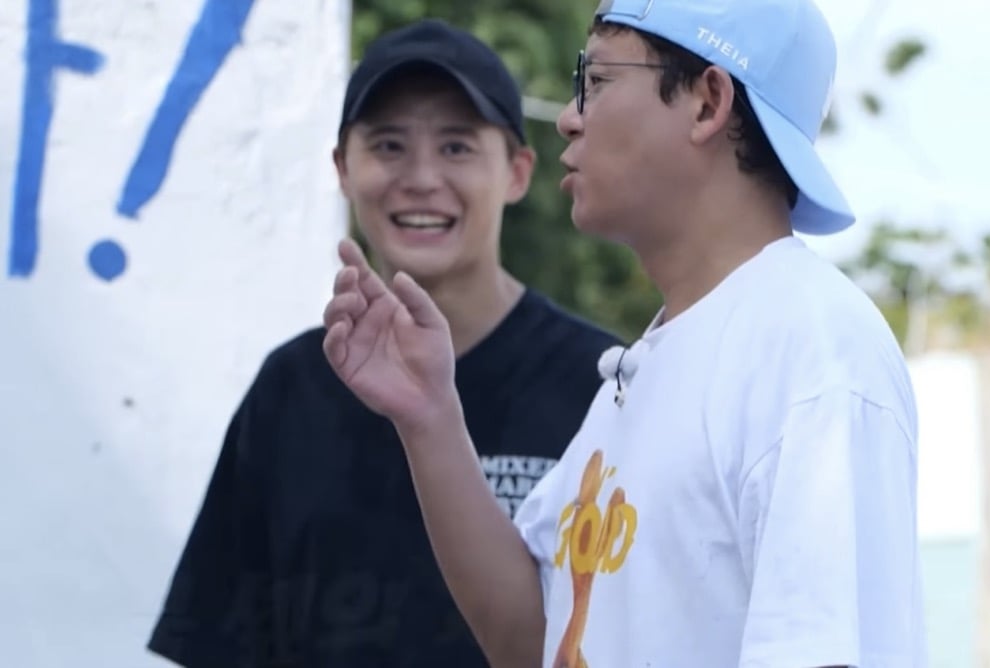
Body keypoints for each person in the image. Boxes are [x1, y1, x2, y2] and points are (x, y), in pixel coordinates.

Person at [321, 0, 927, 666]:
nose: (570, 117)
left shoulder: (811, 347)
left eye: (598, 81)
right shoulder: (655, 358)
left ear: (707, 102)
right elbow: (534, 638)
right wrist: (429, 416)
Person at [146, 18, 622, 668]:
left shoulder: (600, 386)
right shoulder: (289, 389)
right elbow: (213, 641)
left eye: (456, 148)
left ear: (517, 172)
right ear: (342, 169)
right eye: (389, 146)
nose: (422, 178)